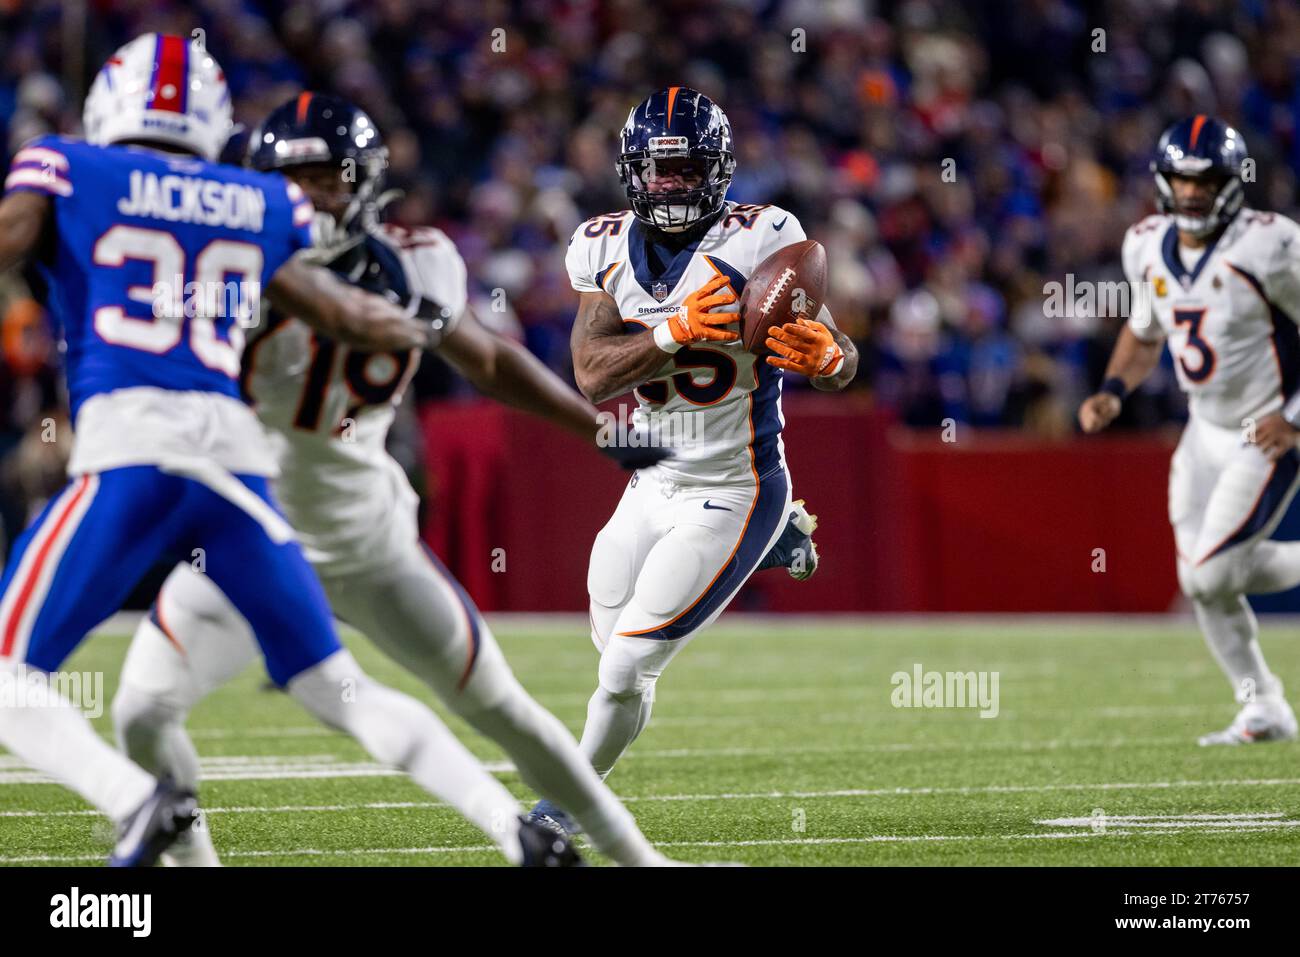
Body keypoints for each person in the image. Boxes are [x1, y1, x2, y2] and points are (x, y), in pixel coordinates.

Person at [112, 92, 680, 867]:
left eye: (329, 178)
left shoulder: (412, 260)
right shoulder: (237, 265)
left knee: (501, 708)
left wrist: (599, 426)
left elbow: (486, 359)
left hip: (367, 541)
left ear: (368, 182)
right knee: (142, 710)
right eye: (295, 179)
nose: (312, 196)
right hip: (251, 539)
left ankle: (643, 864)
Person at [531, 87, 858, 833]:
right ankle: (776, 547)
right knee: (607, 643)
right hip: (653, 481)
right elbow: (591, 373)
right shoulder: (602, 244)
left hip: (736, 483)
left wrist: (832, 354)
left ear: (717, 170)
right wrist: (673, 333)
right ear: (632, 172)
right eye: (658, 169)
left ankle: (569, 806)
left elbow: (840, 359)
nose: (670, 184)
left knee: (624, 672)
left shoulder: (764, 236)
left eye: (686, 169)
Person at [1079, 115, 1300, 745]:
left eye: (1204, 182)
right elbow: (1146, 332)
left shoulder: (1273, 246)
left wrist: (1292, 417)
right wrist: (1113, 390)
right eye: (1180, 180)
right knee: (1203, 583)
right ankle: (1264, 708)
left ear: (1231, 183)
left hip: (1266, 427)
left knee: (1209, 574)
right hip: (1202, 428)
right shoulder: (1146, 243)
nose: (1192, 193)